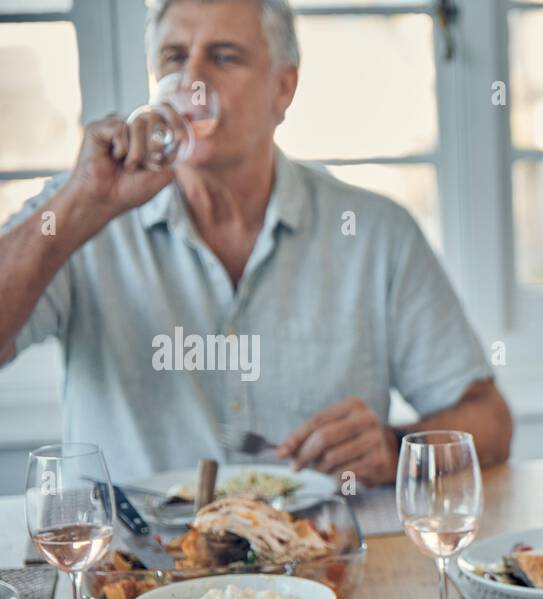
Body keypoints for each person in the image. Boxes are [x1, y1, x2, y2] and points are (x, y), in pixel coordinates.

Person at [0, 0, 511, 486]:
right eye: (175, 57)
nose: (192, 80)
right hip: (136, 570)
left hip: (312, 563)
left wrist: (394, 445)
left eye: (224, 57)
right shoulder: (83, 211)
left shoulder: (376, 233)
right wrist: (79, 204)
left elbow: (490, 422)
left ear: (283, 89)